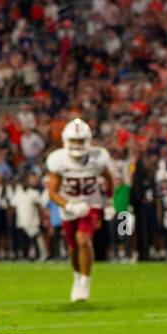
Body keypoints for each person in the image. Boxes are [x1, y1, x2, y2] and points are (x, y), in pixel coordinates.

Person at [45, 118, 115, 302]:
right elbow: (52, 192)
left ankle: (85, 281)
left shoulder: (98, 157)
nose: (77, 144)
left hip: (91, 204)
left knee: (82, 239)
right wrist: (69, 206)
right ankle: (77, 276)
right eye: (74, 140)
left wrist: (109, 203)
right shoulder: (58, 159)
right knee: (72, 246)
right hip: (68, 206)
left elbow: (109, 180)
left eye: (80, 140)